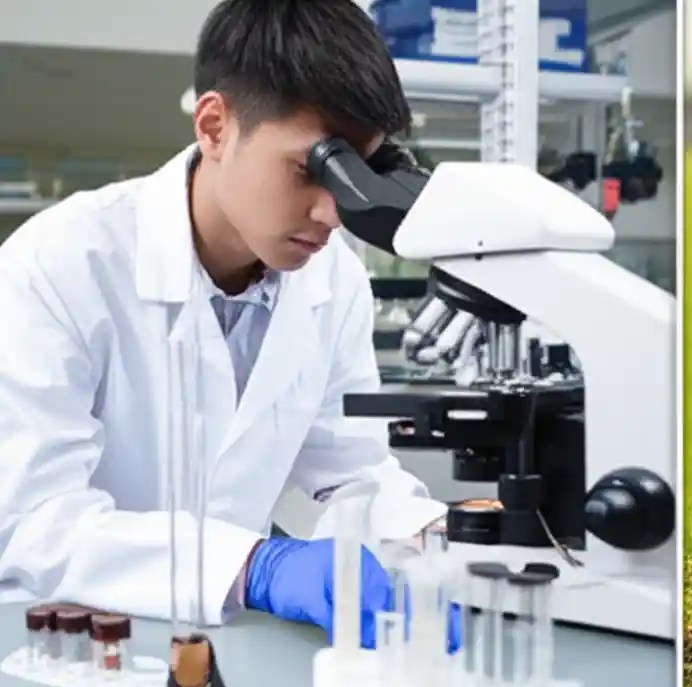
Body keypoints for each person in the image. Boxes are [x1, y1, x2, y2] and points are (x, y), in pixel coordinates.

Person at [0, 0, 450, 649]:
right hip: (62, 647)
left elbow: (351, 475)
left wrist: (434, 541)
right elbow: (33, 521)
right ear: (214, 126)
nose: (332, 211)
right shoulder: (59, 263)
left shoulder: (336, 280)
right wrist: (255, 565)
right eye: (311, 169)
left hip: (220, 644)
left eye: (358, 175)